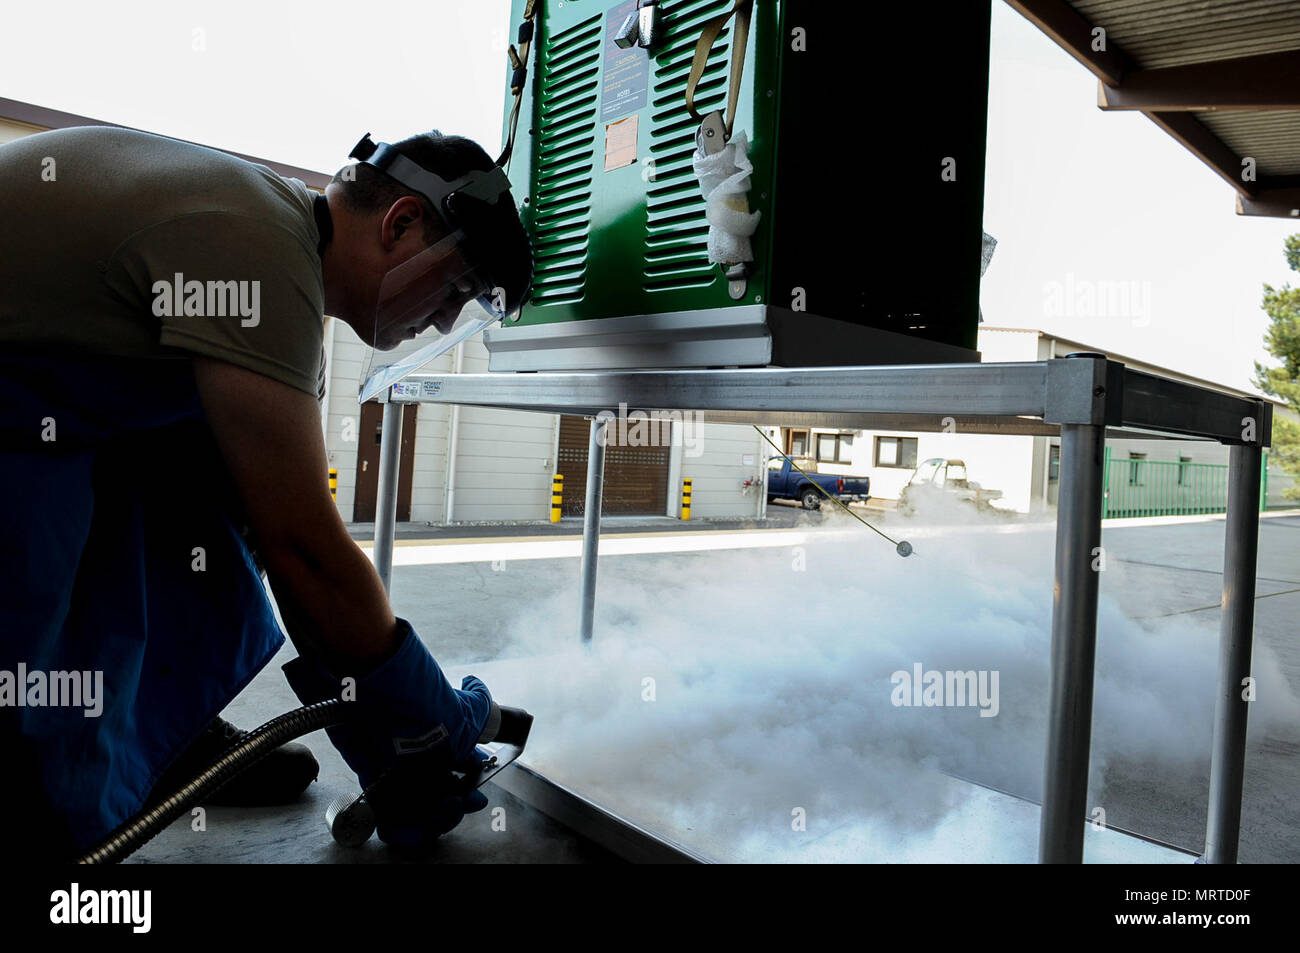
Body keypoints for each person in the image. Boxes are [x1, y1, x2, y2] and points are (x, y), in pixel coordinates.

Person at [0, 124, 532, 859]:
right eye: (457, 286)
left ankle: (155, 734)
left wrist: (381, 738)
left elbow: (277, 542)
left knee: (212, 509)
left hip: (32, 402)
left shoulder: (272, 250)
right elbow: (306, 548)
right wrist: (427, 712)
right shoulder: (259, 250)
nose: (445, 319)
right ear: (401, 222)